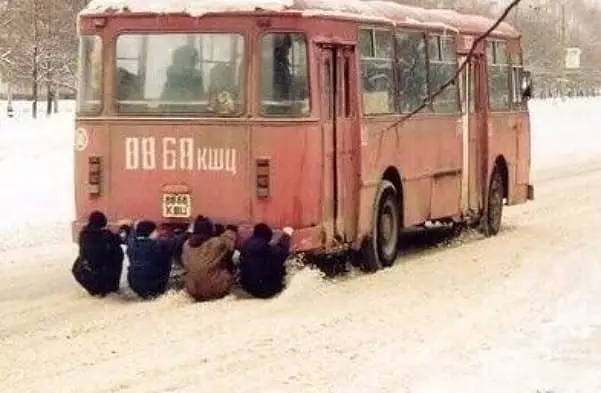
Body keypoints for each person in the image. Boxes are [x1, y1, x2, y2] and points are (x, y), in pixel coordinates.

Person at [125, 220, 186, 300]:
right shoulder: (158, 245)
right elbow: (175, 242)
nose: (157, 233)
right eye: (155, 231)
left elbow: (130, 236)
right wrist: (186, 233)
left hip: (134, 283)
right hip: (155, 284)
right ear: (150, 232)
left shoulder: (131, 244)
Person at [71, 211, 125, 297]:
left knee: (87, 255)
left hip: (83, 274)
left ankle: (97, 289)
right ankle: (111, 288)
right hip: (100, 278)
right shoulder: (106, 235)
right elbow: (121, 238)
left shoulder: (83, 234)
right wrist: (125, 226)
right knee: (117, 251)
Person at [181, 224, 239, 301]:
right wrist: (231, 228)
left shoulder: (186, 245)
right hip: (215, 290)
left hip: (192, 290)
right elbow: (229, 239)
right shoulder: (216, 242)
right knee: (226, 272)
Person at [238, 224, 293, 299]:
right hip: (265, 290)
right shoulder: (264, 248)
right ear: (267, 235)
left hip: (248, 287)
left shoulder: (247, 245)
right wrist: (286, 236)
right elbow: (282, 253)